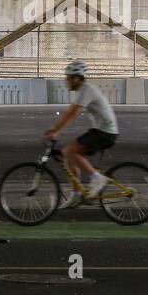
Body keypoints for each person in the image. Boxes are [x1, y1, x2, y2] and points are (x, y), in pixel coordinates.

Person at [44, 59, 119, 208]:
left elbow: (72, 114)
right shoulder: (82, 91)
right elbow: (70, 112)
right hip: (101, 130)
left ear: (77, 78)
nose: (66, 81)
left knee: (69, 151)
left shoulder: (87, 89)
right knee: (68, 156)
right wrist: (55, 129)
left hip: (106, 132)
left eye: (69, 78)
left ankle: (97, 178)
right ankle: (76, 195)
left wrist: (55, 131)